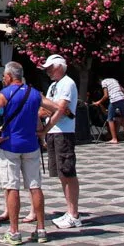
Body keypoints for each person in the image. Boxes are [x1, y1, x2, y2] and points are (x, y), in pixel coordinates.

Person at [0, 62, 62, 245]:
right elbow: (58, 108)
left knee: (12, 187)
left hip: (10, 145)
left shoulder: (5, 93)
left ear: (9, 76)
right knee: (35, 186)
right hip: (31, 145)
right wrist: (45, 130)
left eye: (4, 76)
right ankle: (41, 229)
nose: (3, 79)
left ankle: (14, 232)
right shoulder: (34, 93)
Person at [42, 54, 82, 230]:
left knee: (68, 171)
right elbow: (46, 107)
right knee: (61, 173)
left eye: (50, 68)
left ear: (59, 66)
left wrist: (45, 129)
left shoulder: (67, 83)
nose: (48, 71)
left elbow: (60, 109)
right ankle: (69, 211)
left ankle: (74, 214)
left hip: (63, 132)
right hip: (54, 132)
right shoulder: (53, 85)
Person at [94, 75, 124, 143]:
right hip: (122, 98)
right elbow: (122, 89)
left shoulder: (104, 82)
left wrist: (99, 102)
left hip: (114, 99)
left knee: (110, 119)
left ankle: (114, 138)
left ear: (99, 81)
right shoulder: (114, 80)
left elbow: (106, 95)